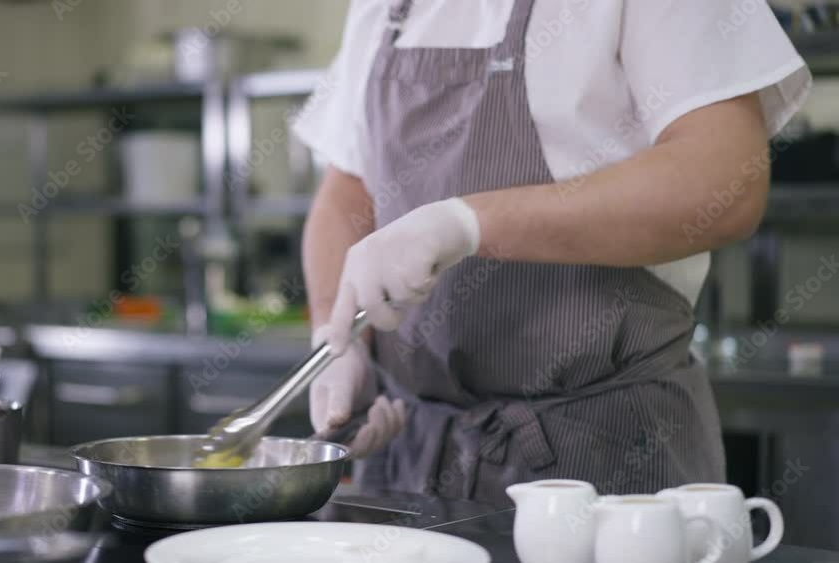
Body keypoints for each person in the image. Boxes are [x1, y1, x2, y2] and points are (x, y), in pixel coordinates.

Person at [293, 0, 810, 503]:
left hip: (607, 466)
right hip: (411, 459)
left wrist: (468, 224)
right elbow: (346, 194)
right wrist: (340, 343)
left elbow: (723, 179)